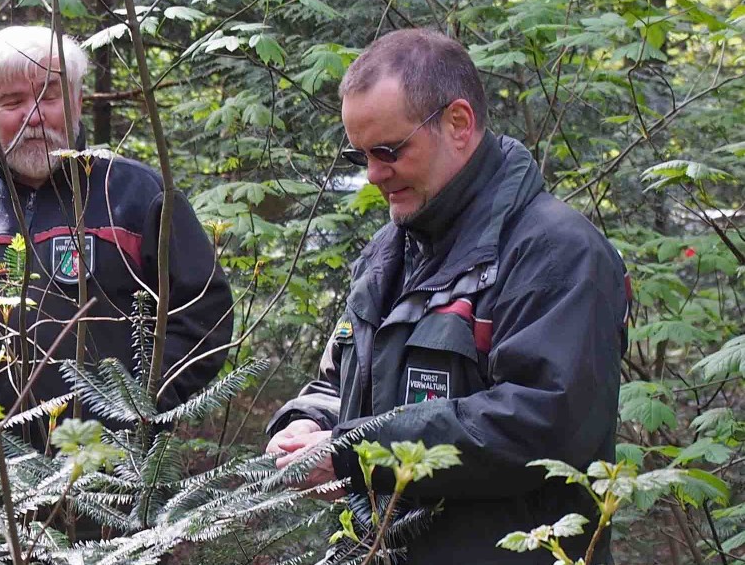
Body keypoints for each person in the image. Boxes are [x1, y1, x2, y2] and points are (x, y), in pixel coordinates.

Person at [264, 28, 628, 563]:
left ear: (458, 124)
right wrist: (308, 424)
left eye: (389, 151)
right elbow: (341, 379)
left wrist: (353, 452)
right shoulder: (388, 254)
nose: (373, 175)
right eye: (360, 156)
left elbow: (539, 425)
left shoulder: (559, 254)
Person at [0, 25, 234, 446]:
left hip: (117, 464)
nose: (34, 117)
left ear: (77, 100)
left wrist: (140, 405)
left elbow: (205, 311)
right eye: (13, 102)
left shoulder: (136, 195)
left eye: (49, 97)